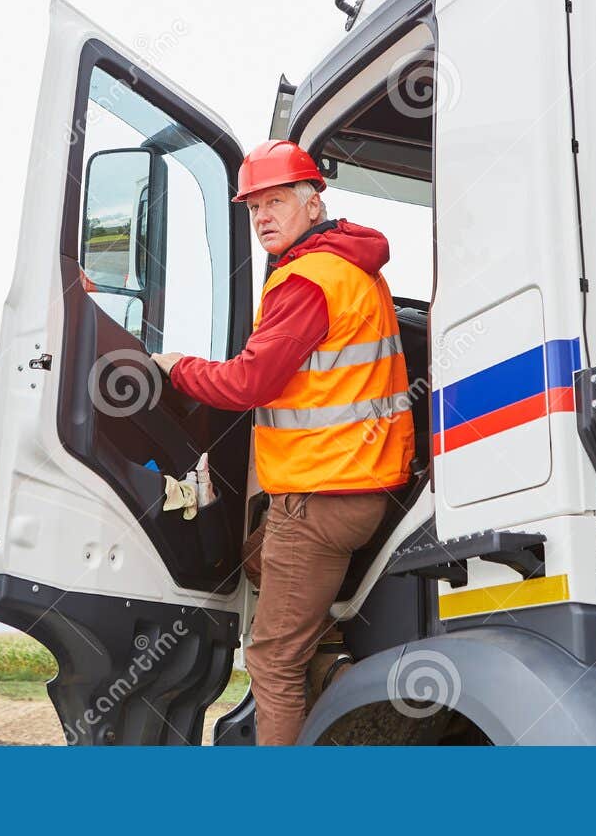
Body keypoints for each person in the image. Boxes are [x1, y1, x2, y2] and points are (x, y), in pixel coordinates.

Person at [152, 140, 414, 745]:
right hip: (353, 486)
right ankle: (338, 674)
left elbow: (250, 381)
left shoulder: (305, 281)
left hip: (318, 497)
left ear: (313, 206)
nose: (264, 216)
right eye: (254, 208)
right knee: (253, 557)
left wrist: (175, 367)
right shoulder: (353, 269)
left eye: (276, 202)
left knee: (271, 658)